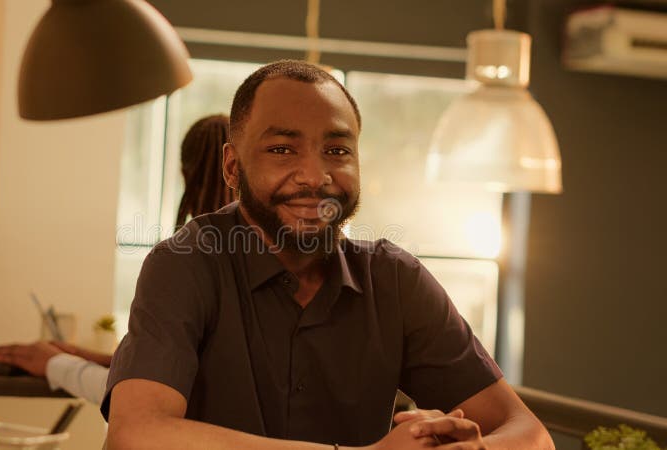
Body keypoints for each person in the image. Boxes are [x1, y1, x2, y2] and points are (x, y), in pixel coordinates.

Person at [103, 60, 554, 450]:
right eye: (282, 149)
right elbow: (136, 434)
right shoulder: (186, 262)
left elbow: (530, 435)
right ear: (232, 167)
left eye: (336, 150)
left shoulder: (395, 279)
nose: (315, 176)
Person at [0, 114, 234, 405]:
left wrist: (55, 365)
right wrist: (94, 357)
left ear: (184, 174)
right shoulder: (257, 256)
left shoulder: (185, 263)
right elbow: (184, 366)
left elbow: (139, 397)